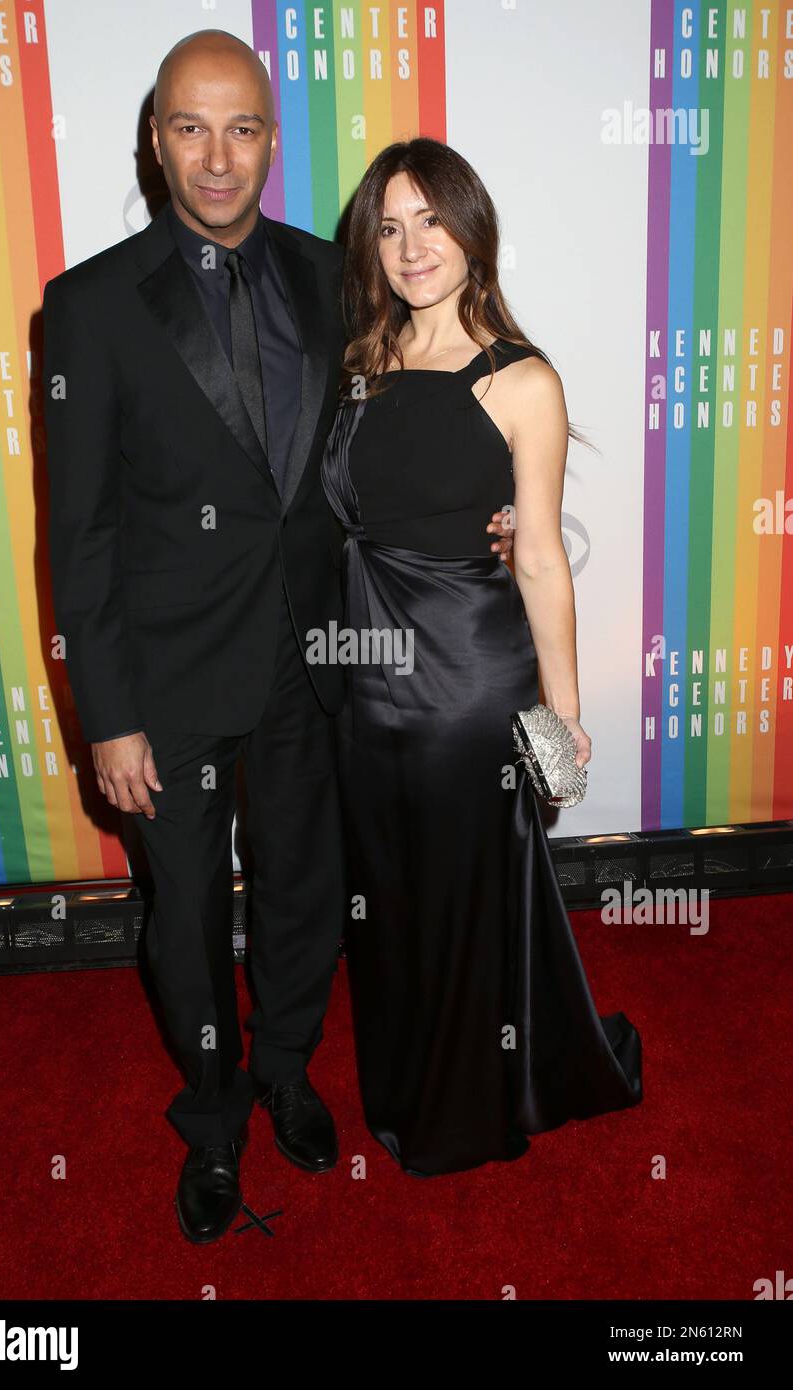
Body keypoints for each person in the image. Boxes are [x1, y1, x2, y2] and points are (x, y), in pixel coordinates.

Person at [42, 30, 520, 1239]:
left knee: (309, 894)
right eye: (190, 128)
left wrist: (493, 517)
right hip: (168, 684)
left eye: (242, 127)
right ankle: (211, 1121)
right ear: (155, 143)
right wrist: (111, 716)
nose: (217, 156)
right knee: (189, 918)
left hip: (318, 667)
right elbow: (78, 536)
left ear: (270, 140)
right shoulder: (89, 308)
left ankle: (288, 1073)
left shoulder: (330, 276)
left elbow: (399, 431)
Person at [322, 138, 643, 1177]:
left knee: (468, 897)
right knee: (389, 896)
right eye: (389, 225)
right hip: (363, 687)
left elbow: (541, 556)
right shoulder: (360, 364)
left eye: (431, 219)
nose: (412, 246)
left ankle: (465, 1111)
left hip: (466, 683)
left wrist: (558, 719)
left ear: (473, 229)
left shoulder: (520, 381)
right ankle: (410, 1081)